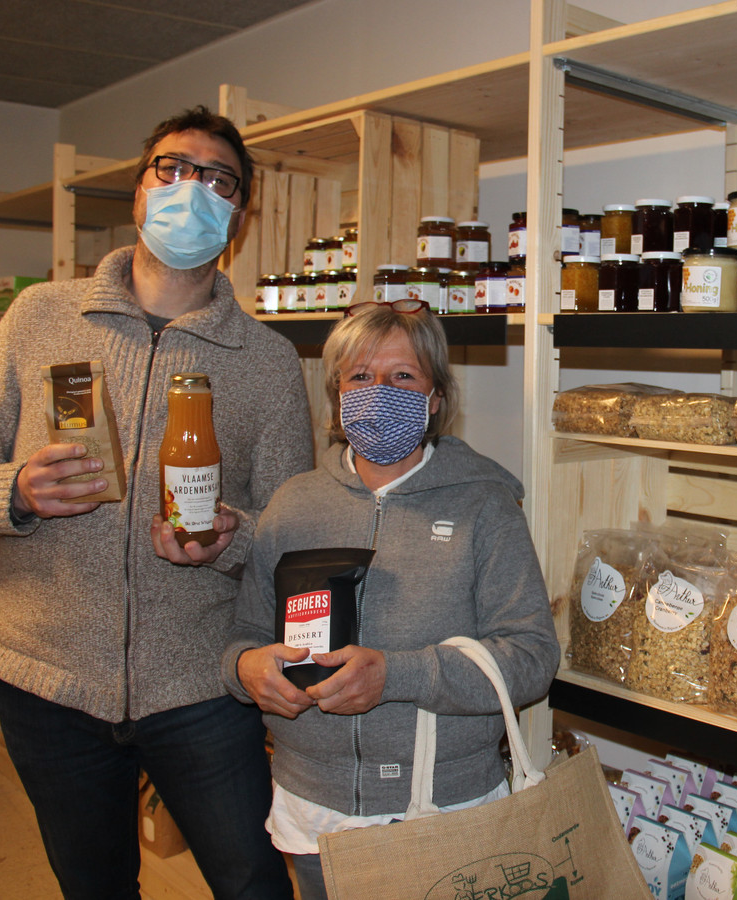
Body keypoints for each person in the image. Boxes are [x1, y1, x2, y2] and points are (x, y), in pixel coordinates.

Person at [0, 106, 310, 900]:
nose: (189, 188)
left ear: (238, 214)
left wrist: (231, 538)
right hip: (49, 683)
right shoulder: (40, 318)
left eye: (216, 179)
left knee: (254, 886)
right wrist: (18, 491)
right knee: (94, 887)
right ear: (139, 189)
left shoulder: (267, 362)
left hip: (200, 687)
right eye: (170, 168)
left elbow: (289, 531)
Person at [221, 301, 561, 900]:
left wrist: (397, 675)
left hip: (444, 811)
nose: (379, 391)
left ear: (434, 398)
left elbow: (532, 656)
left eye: (403, 376)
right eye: (360, 376)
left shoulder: (484, 507)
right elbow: (244, 636)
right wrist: (244, 668)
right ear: (336, 396)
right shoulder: (292, 506)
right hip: (314, 813)